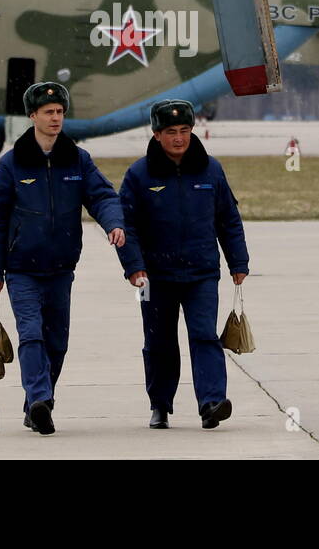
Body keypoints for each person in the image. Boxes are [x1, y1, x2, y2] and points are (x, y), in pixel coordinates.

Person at [0, 82, 125, 435]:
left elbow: (103, 196)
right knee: (31, 335)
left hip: (61, 268)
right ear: (33, 116)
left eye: (60, 112)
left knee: (57, 341)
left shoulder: (77, 159)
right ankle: (40, 399)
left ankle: (37, 403)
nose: (56, 118)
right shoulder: (12, 163)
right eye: (48, 112)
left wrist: (114, 223)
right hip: (21, 268)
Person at [117, 99, 249, 430]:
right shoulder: (138, 174)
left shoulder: (211, 169)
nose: (179, 138)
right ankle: (160, 404)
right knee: (159, 341)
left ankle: (211, 402)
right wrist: (134, 266)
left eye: (185, 131)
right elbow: (126, 226)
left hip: (202, 272)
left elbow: (228, 219)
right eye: (171, 132)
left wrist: (238, 260)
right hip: (153, 277)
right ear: (157, 134)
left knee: (204, 335)